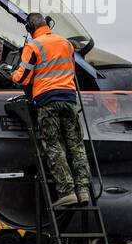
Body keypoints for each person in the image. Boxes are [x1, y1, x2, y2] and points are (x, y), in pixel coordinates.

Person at [10, 13, 91, 207]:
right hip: (69, 99)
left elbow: (23, 78)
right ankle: (83, 189)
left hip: (47, 100)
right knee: (76, 145)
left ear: (30, 28)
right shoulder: (66, 44)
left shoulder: (34, 46)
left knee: (54, 145)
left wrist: (12, 74)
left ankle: (67, 191)